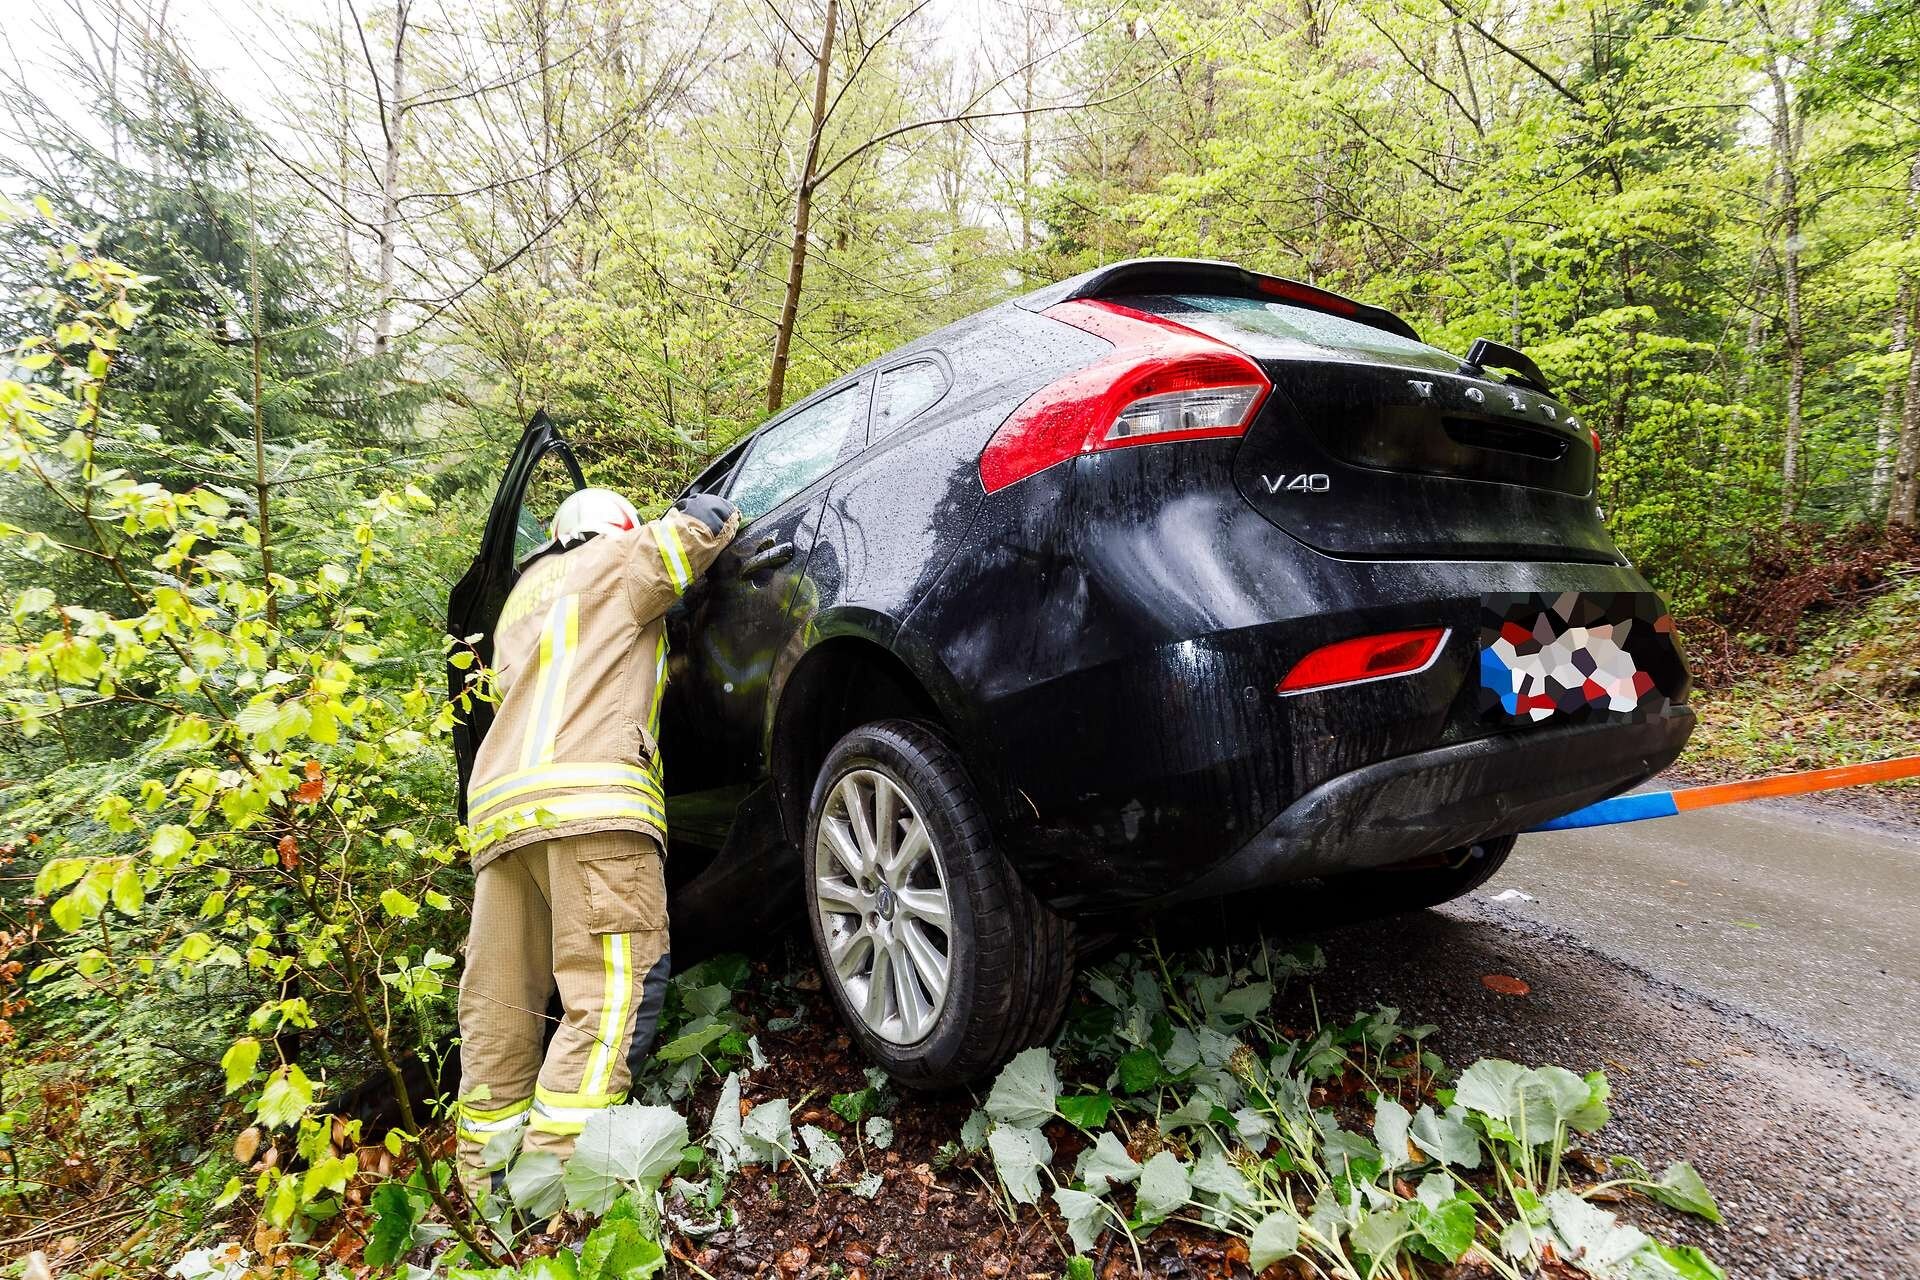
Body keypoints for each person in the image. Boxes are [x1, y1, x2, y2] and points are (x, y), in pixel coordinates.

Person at [453, 486, 738, 1201]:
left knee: (501, 1007)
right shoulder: (615, 559)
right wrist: (716, 506)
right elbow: (692, 537)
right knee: (611, 993)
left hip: (501, 820)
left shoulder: (518, 600)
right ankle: (552, 1185)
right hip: (591, 809)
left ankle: (484, 1190)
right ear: (614, 527)